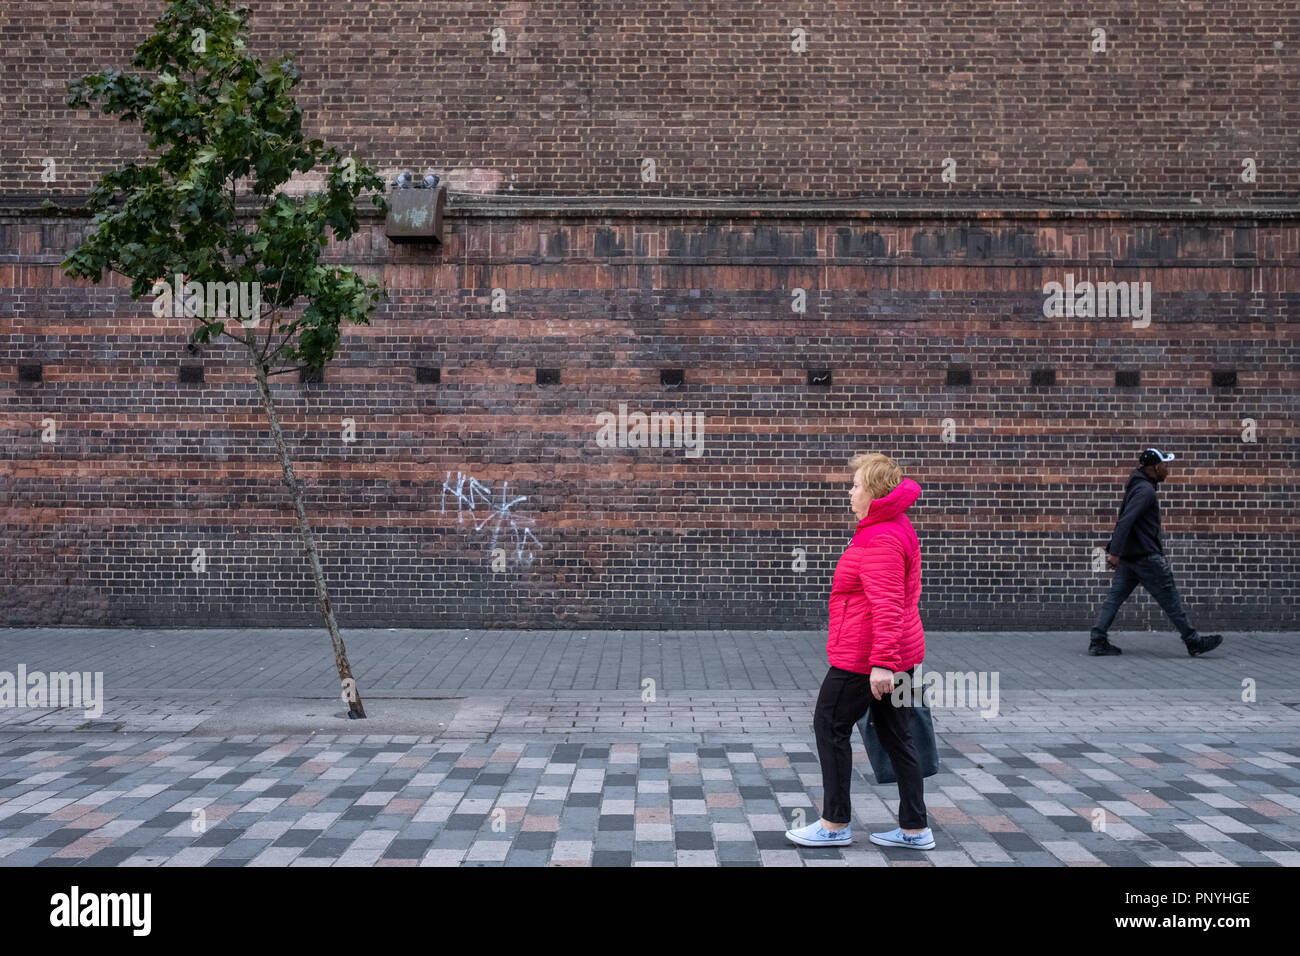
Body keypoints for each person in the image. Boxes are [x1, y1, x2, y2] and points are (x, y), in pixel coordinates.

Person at [786, 452, 933, 850]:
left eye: (855, 485)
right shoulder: (887, 526)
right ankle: (915, 829)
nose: (849, 492)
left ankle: (834, 824)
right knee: (897, 735)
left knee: (829, 726)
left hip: (867, 656)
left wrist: (882, 664)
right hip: (893, 654)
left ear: (874, 491)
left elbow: (887, 604)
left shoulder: (882, 536)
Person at [1089, 448, 1223, 657]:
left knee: (1114, 598)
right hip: (1145, 557)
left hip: (1131, 556)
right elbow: (1126, 520)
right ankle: (1192, 640)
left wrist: (1118, 551)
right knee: (1170, 598)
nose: (1168, 469)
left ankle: (1098, 640)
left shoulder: (1137, 486)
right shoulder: (1145, 491)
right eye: (1165, 465)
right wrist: (1114, 552)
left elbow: (1126, 519)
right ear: (1155, 467)